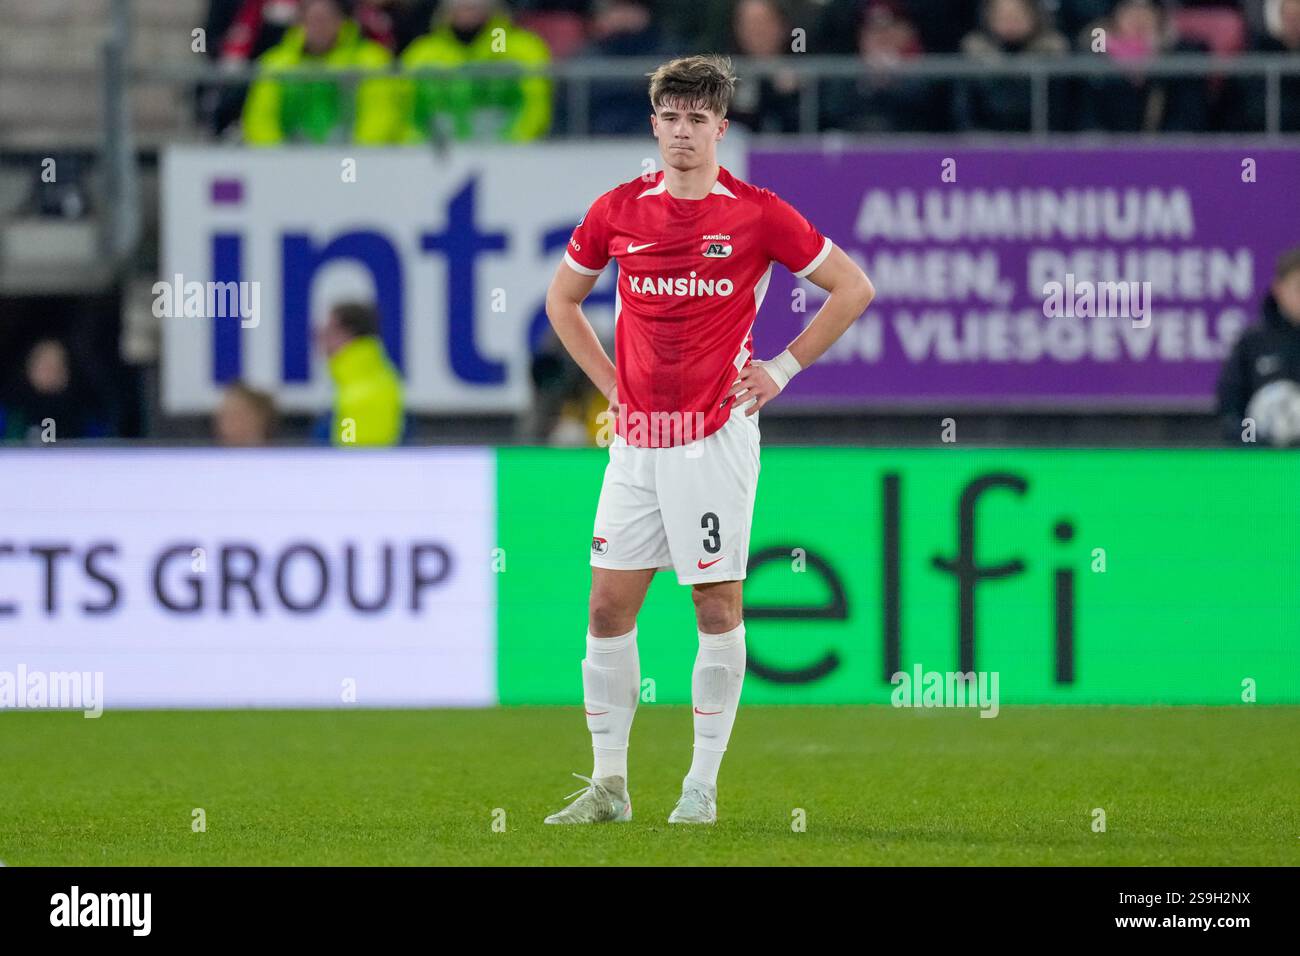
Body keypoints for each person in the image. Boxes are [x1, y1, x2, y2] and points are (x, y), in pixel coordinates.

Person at [542, 54, 874, 824]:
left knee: (717, 608)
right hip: (637, 442)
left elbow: (854, 286)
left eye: (698, 120)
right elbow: (563, 301)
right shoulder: (618, 209)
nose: (683, 133)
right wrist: (613, 391)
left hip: (713, 437)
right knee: (605, 609)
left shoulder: (757, 212)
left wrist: (782, 368)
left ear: (720, 128)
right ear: (654, 124)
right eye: (671, 118)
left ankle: (701, 787)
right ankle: (610, 787)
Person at [241, 0, 402, 145]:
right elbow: (260, 119)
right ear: (300, 22)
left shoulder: (371, 60)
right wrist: (279, 158)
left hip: (351, 161)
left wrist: (355, 157)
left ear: (341, 20)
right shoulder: (276, 64)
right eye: (313, 20)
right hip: (292, 158)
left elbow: (380, 116)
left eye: (325, 20)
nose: (319, 28)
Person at [398, 0, 552, 143]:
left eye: (474, 5)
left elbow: (535, 106)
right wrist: (415, 148)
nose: (467, 8)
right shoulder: (423, 51)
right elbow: (407, 110)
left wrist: (515, 144)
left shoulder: (518, 47)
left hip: (507, 151)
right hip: (435, 152)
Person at [1216, 245, 1300, 444]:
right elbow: (1230, 412)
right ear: (1278, 289)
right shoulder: (1252, 342)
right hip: (1260, 463)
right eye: (1299, 288)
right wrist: (1255, 441)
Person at [953, 0, 1069, 132]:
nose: (1010, 22)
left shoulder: (1053, 54)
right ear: (988, 17)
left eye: (1017, 15)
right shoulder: (974, 53)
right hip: (984, 141)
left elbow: (1060, 111)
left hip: (1044, 142)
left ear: (1033, 15)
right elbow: (965, 110)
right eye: (1003, 16)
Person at [314, 302, 405, 446]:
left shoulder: (360, 394)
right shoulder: (360, 382)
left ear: (348, 334)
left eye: (329, 330)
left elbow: (352, 454)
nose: (321, 337)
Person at [213, 382, 278, 446]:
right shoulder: (209, 455)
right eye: (223, 417)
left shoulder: (281, 455)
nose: (226, 424)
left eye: (236, 416)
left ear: (259, 419)